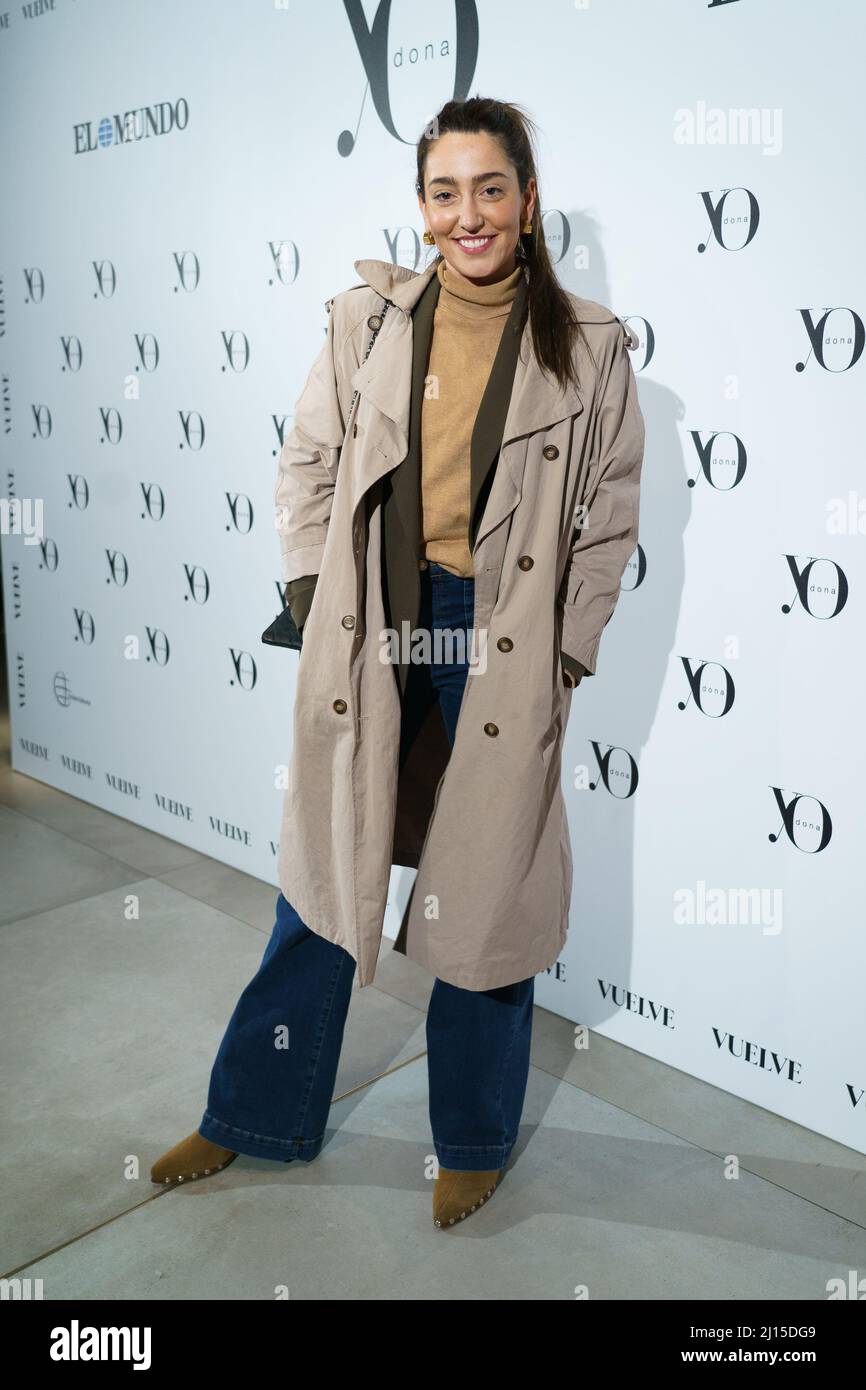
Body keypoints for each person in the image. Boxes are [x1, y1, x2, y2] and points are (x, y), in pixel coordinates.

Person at [151, 97, 645, 1231]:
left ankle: (470, 1137)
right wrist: (313, 599)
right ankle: (252, 1112)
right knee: (325, 872)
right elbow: (309, 460)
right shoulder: (365, 319)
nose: (463, 214)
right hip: (377, 614)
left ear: (525, 203)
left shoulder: (592, 346)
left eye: (487, 189)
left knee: (488, 888)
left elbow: (608, 513)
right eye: (442, 191)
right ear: (420, 206)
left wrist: (567, 649)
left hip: (502, 631)